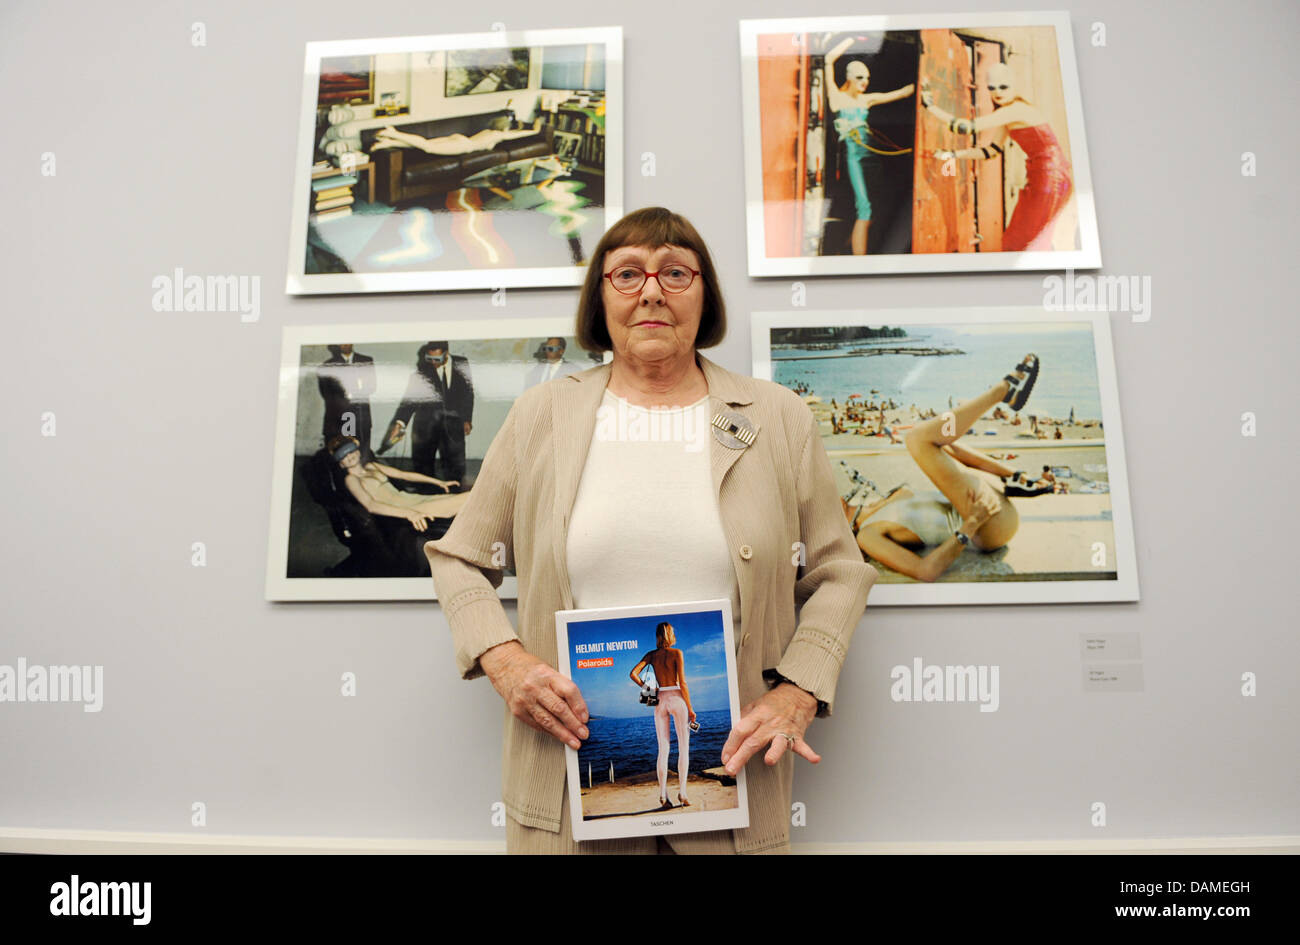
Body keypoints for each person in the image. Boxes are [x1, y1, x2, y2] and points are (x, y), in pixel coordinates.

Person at [424, 207, 878, 854]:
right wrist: (504, 660)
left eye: (675, 272)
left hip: (735, 790)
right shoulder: (541, 416)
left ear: (705, 294)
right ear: (600, 298)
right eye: (628, 273)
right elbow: (458, 557)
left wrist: (800, 688)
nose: (652, 291)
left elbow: (841, 571)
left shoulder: (777, 417)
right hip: (562, 786)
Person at [844, 355, 1046, 582]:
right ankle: (1003, 391)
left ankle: (1014, 475)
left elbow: (948, 450)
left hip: (990, 507)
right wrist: (971, 525)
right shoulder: (867, 536)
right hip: (987, 526)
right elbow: (925, 571)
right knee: (917, 439)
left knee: (938, 440)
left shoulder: (873, 502)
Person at [919, 63, 1074, 251]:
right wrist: (953, 154)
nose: (997, 92)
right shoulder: (1007, 113)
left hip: (1051, 177)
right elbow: (990, 151)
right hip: (1042, 176)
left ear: (1014, 86)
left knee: (1024, 242)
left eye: (1003, 87)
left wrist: (931, 107)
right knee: (1022, 240)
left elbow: (966, 127)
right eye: (991, 88)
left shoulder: (1015, 109)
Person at [824, 37, 915, 255]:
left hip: (871, 156)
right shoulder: (837, 98)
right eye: (859, 78)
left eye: (867, 78)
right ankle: (860, 262)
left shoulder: (866, 99)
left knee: (875, 208)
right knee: (864, 209)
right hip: (853, 156)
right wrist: (851, 39)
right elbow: (828, 60)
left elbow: (902, 93)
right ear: (849, 78)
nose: (864, 82)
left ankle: (848, 247)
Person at [329, 435, 468, 533]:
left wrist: (439, 482)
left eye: (351, 451)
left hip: (411, 499)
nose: (349, 457)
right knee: (466, 501)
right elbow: (371, 505)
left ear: (358, 452)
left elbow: (404, 474)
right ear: (341, 464)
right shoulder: (351, 479)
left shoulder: (372, 466)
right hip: (401, 510)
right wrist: (409, 513)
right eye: (343, 456)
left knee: (469, 498)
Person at [383, 342, 474, 488]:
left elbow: (468, 393)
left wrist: (467, 419)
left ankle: (455, 502)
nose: (432, 363)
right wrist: (399, 424)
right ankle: (426, 502)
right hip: (426, 428)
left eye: (437, 359)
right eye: (429, 358)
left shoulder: (462, 363)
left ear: (447, 353)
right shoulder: (421, 373)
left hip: (453, 426)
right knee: (424, 473)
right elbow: (409, 401)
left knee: (456, 470)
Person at [629, 622, 696, 811]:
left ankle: (662, 795)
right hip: (676, 697)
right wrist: (690, 709)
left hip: (659, 700)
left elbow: (633, 674)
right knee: (683, 747)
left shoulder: (651, 655)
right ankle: (682, 793)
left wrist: (648, 687)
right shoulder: (677, 654)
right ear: (669, 634)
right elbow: (682, 683)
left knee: (663, 748)